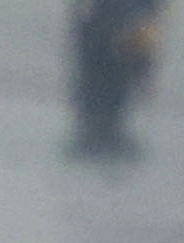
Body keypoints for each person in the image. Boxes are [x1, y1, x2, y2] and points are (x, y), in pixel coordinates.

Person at [69, 0, 170, 164]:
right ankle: (101, 132)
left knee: (105, 92)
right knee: (106, 91)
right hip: (113, 32)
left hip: (113, 32)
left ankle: (100, 132)